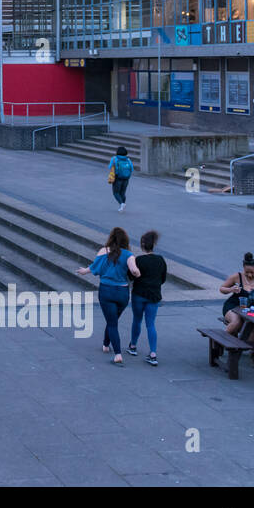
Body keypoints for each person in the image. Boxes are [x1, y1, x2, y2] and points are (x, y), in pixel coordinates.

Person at [77, 227, 133, 366]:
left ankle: (118, 354)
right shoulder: (129, 254)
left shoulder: (104, 251)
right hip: (122, 293)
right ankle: (106, 344)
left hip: (106, 291)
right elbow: (134, 270)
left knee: (112, 322)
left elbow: (95, 266)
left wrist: (84, 271)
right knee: (113, 320)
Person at [126, 229, 167, 366]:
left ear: (142, 245)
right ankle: (153, 353)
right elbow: (163, 279)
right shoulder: (160, 260)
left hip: (139, 294)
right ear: (153, 245)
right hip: (154, 296)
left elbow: (131, 277)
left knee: (137, 320)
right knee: (151, 324)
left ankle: (133, 346)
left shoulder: (139, 260)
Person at [219, 253, 254, 336]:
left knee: (253, 328)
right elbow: (222, 289)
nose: (249, 275)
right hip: (233, 306)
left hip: (252, 310)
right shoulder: (237, 276)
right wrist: (231, 289)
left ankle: (249, 347)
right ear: (243, 269)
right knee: (237, 322)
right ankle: (222, 340)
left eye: (252, 272)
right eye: (247, 272)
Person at [107, 146, 133, 212]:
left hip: (118, 178)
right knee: (123, 193)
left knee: (116, 193)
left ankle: (122, 204)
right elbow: (132, 169)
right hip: (126, 178)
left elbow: (109, 167)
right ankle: (122, 206)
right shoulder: (128, 159)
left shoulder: (114, 158)